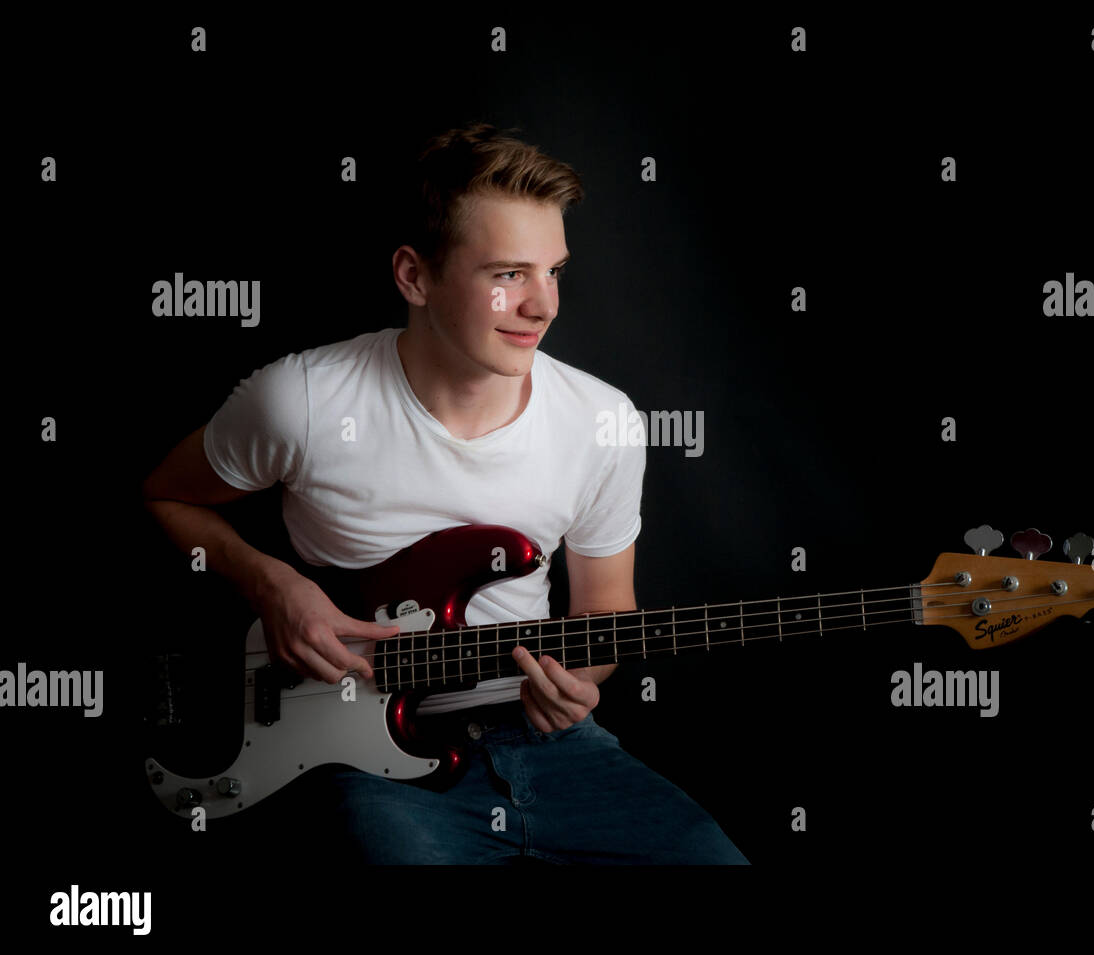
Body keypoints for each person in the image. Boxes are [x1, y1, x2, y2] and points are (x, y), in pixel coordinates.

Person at [141, 123, 748, 864]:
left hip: (548, 742)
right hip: (359, 755)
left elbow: (604, 612)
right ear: (414, 276)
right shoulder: (300, 401)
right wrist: (272, 583)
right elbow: (167, 495)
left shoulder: (604, 421)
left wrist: (574, 687)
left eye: (553, 270)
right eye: (508, 273)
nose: (543, 305)